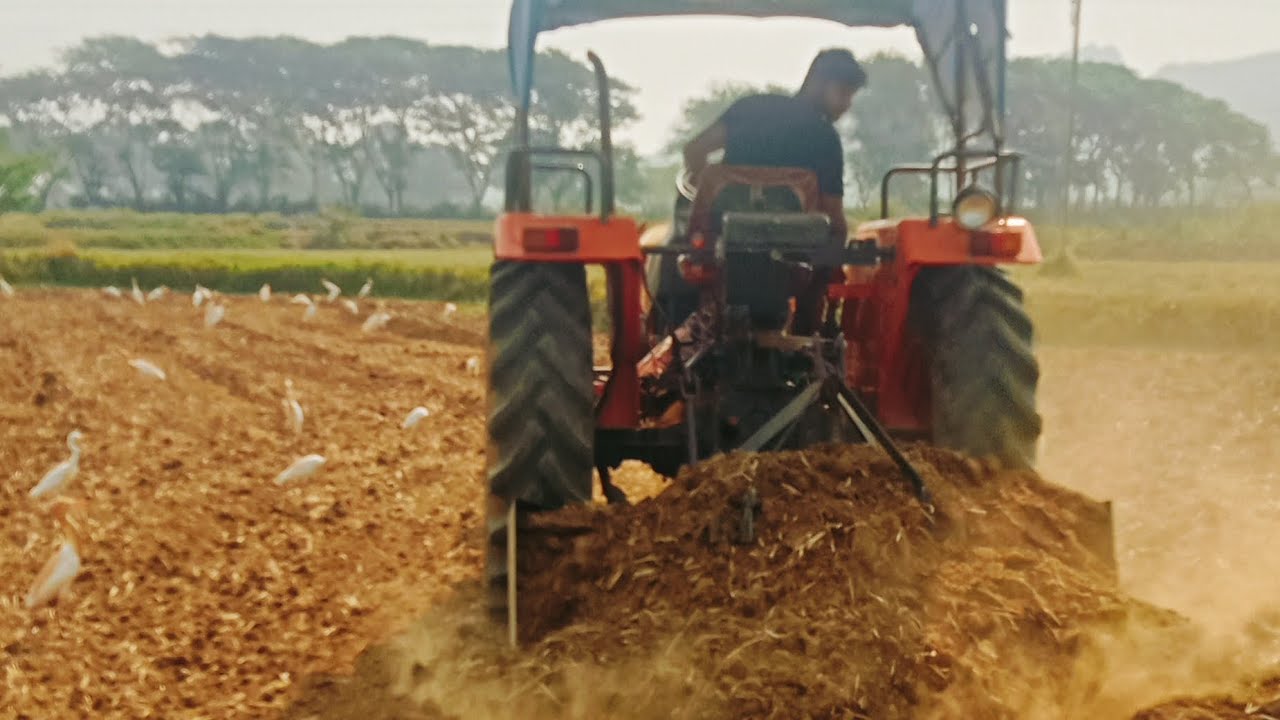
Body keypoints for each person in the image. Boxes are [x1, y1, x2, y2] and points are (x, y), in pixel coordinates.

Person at [680, 48, 867, 335]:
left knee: (686, 241)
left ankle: (689, 324)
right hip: (793, 248)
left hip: (727, 239)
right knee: (834, 238)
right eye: (843, 93)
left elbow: (694, 150)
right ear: (818, 84)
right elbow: (832, 212)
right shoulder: (825, 137)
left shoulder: (750, 108)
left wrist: (706, 184)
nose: (847, 105)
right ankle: (806, 331)